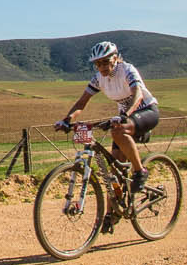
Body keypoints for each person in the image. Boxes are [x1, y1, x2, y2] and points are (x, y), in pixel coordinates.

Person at [61, 40, 158, 192]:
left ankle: (140, 171)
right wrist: (67, 119)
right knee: (114, 173)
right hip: (124, 118)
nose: (102, 67)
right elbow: (82, 101)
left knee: (117, 131)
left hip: (146, 111)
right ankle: (110, 214)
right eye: (98, 64)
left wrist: (125, 114)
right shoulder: (98, 78)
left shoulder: (127, 70)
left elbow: (137, 95)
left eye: (105, 62)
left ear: (115, 58)